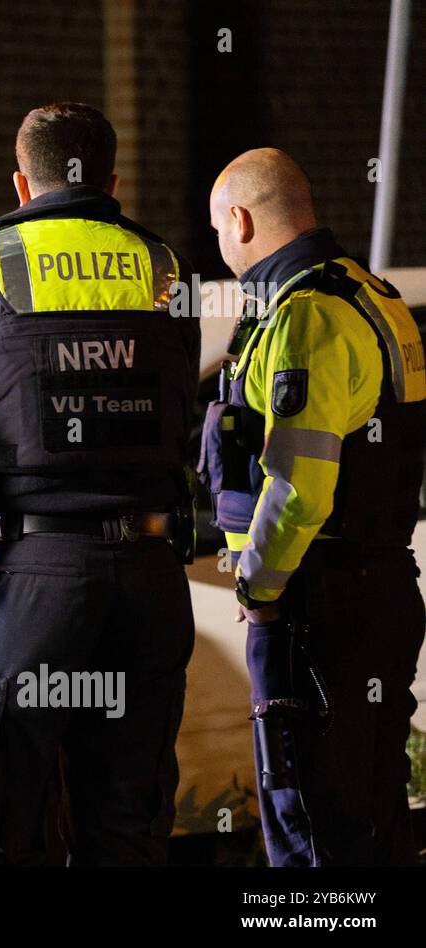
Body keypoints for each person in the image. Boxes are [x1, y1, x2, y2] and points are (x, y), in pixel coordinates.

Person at [0, 102, 201, 865]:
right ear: (114, 182)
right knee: (126, 832)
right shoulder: (166, 270)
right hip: (151, 578)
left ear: (21, 184)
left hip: (36, 579)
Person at [202, 147, 425, 865]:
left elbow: (301, 486)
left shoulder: (305, 318)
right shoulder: (374, 295)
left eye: (216, 231)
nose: (220, 246)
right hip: (381, 588)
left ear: (238, 220)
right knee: (374, 818)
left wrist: (257, 587)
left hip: (315, 606)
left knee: (311, 829)